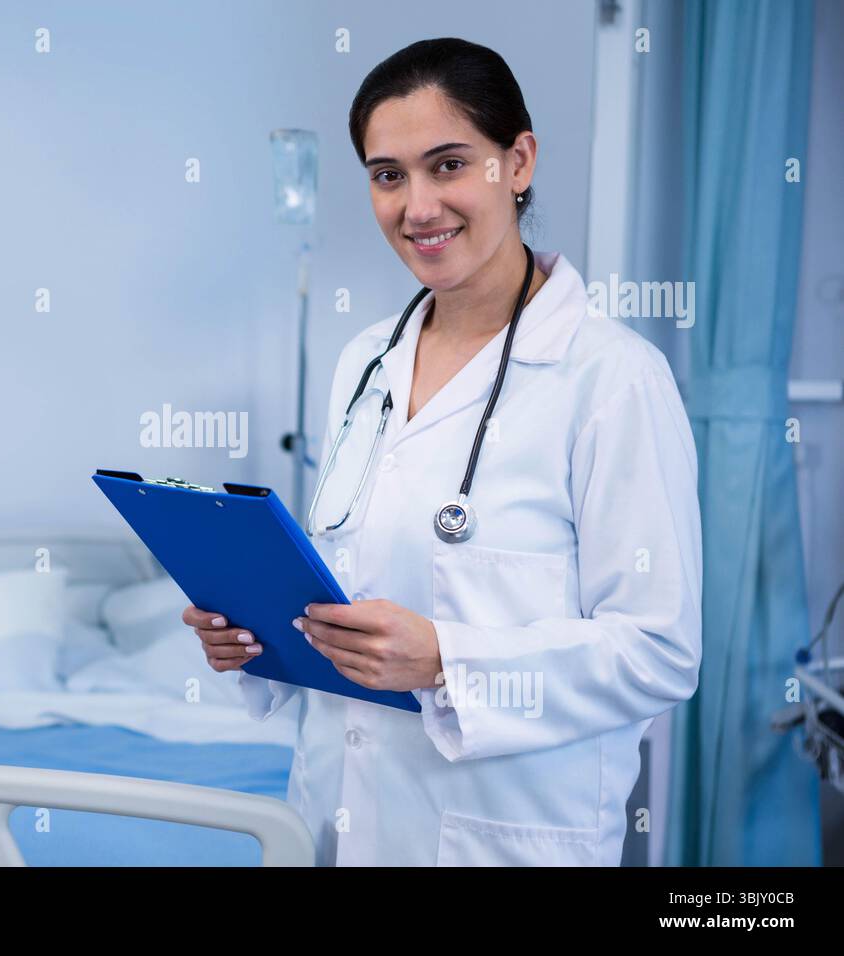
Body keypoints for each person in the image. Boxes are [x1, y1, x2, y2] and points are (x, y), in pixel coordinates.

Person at [182, 37, 702, 866]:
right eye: (388, 175)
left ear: (518, 161)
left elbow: (658, 653)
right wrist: (252, 633)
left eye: (449, 164)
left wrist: (446, 660)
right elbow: (350, 579)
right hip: (333, 816)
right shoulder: (364, 362)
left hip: (504, 836)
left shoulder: (612, 379)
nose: (417, 206)